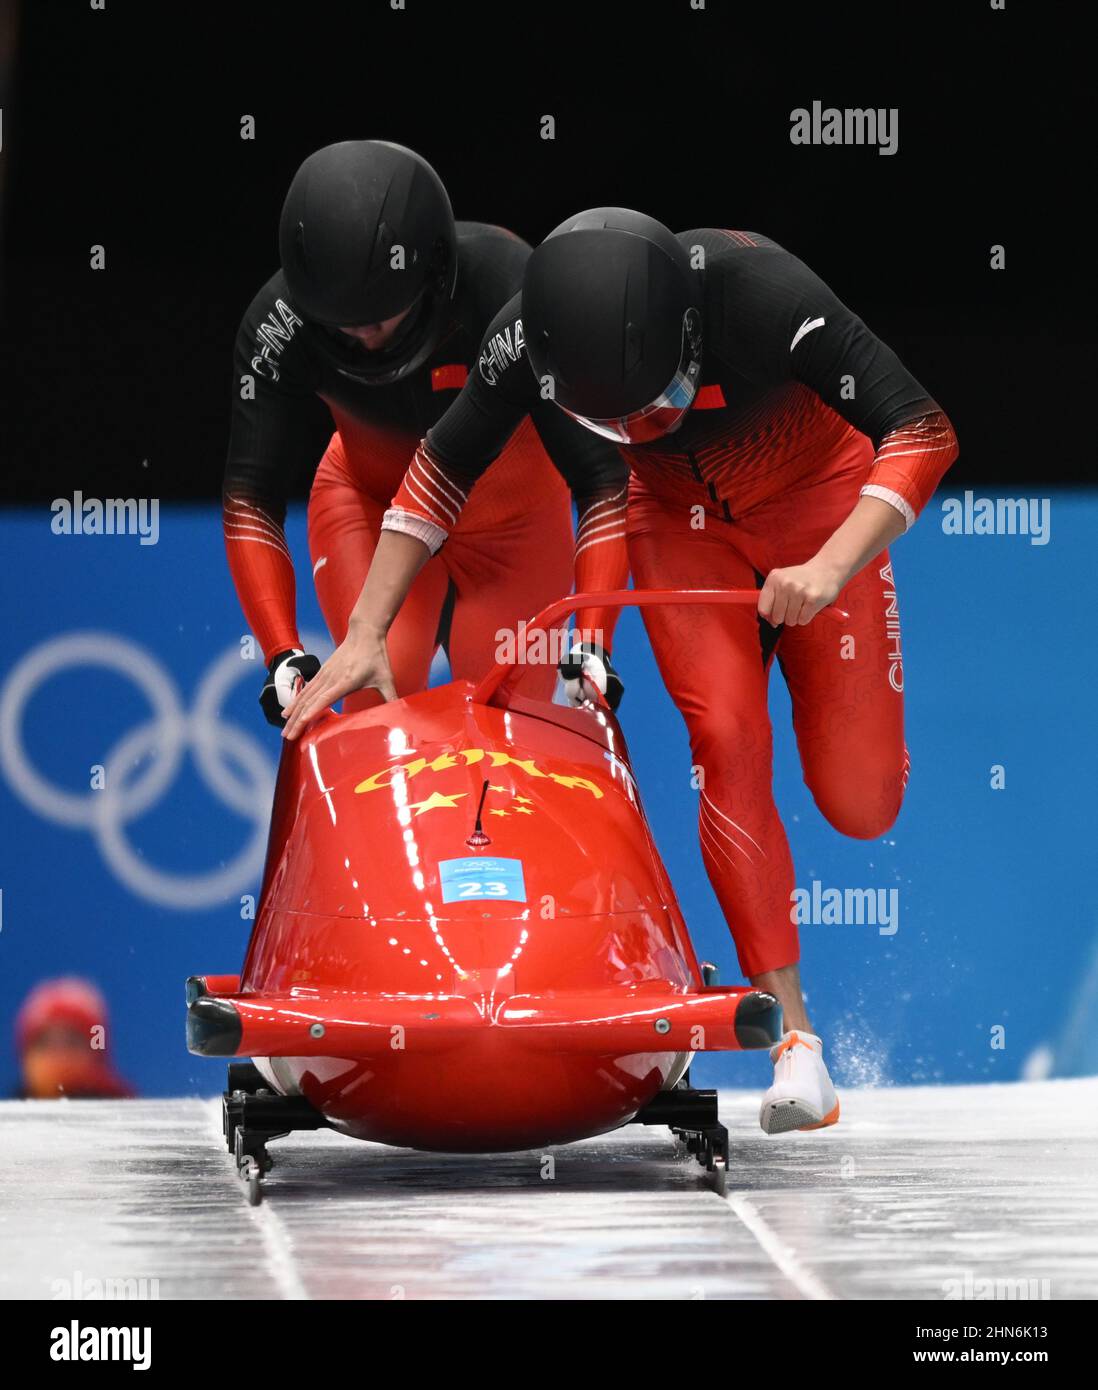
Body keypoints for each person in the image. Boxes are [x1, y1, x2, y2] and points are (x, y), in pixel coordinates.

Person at [283, 207, 959, 1137]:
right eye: (614, 418)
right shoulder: (524, 334)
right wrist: (365, 630)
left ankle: (847, 682)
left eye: (655, 401)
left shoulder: (765, 297)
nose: (643, 422)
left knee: (860, 802)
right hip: (678, 525)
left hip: (823, 514)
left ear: (692, 332)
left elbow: (924, 431)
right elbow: (440, 468)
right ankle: (797, 1044)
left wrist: (832, 566)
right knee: (724, 736)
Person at [224, 142, 628, 725]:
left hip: (515, 526)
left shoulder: (509, 286)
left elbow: (601, 477)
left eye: (378, 320)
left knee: (506, 723)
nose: (363, 340)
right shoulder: (276, 324)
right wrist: (282, 652)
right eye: (341, 326)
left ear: (433, 277)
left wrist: (593, 639)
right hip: (369, 502)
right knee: (374, 702)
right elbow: (250, 496)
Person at [14, 978, 134, 1099]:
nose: (57, 1055)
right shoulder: (9, 1114)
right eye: (43, 1043)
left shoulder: (131, 1115)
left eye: (72, 1042)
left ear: (97, 1054)